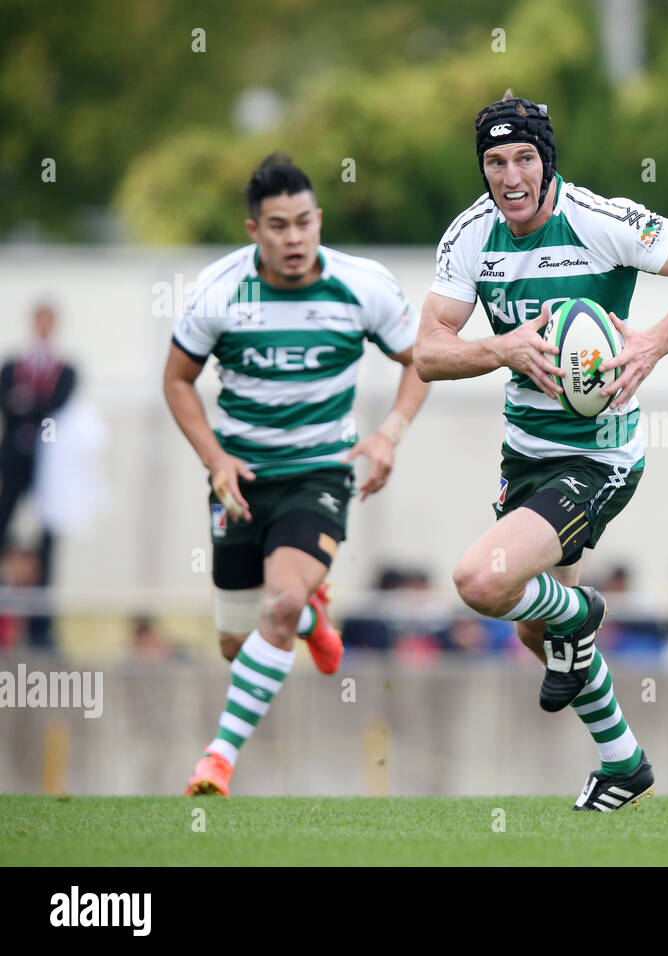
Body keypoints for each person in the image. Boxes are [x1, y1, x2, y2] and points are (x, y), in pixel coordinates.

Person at [414, 90, 668, 810]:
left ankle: (579, 612)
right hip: (524, 456)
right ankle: (623, 761)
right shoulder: (471, 236)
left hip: (599, 458)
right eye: (495, 162)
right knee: (537, 628)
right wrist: (498, 347)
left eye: (523, 158)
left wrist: (653, 343)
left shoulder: (600, 221)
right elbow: (427, 354)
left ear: (547, 160)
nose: (509, 177)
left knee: (480, 582)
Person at [164, 154, 430, 795]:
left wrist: (389, 434)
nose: (294, 238)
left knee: (277, 606)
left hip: (320, 473)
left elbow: (423, 361)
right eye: (278, 226)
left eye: (304, 222)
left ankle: (218, 759)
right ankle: (314, 622)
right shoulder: (219, 291)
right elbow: (177, 381)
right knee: (238, 644)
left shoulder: (362, 286)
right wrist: (216, 459)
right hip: (241, 480)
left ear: (319, 220)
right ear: (254, 230)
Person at [0, 302, 78, 646]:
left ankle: (41, 627)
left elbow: (54, 406)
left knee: (47, 541)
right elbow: (10, 404)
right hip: (14, 462)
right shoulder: (14, 366)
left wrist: (27, 405)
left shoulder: (65, 369)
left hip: (49, 466)